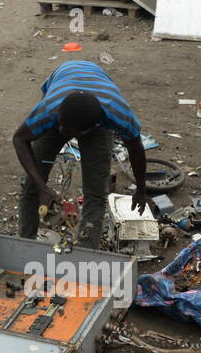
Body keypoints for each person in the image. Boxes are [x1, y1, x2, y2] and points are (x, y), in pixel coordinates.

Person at [13, 60, 147, 248]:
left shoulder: (119, 115)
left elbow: (136, 149)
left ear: (89, 129)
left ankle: (86, 255)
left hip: (95, 110)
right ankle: (25, 247)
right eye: (60, 125)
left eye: (67, 132)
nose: (61, 131)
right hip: (63, 84)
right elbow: (19, 139)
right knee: (31, 186)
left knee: (96, 193)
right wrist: (41, 186)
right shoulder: (51, 109)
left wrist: (141, 189)